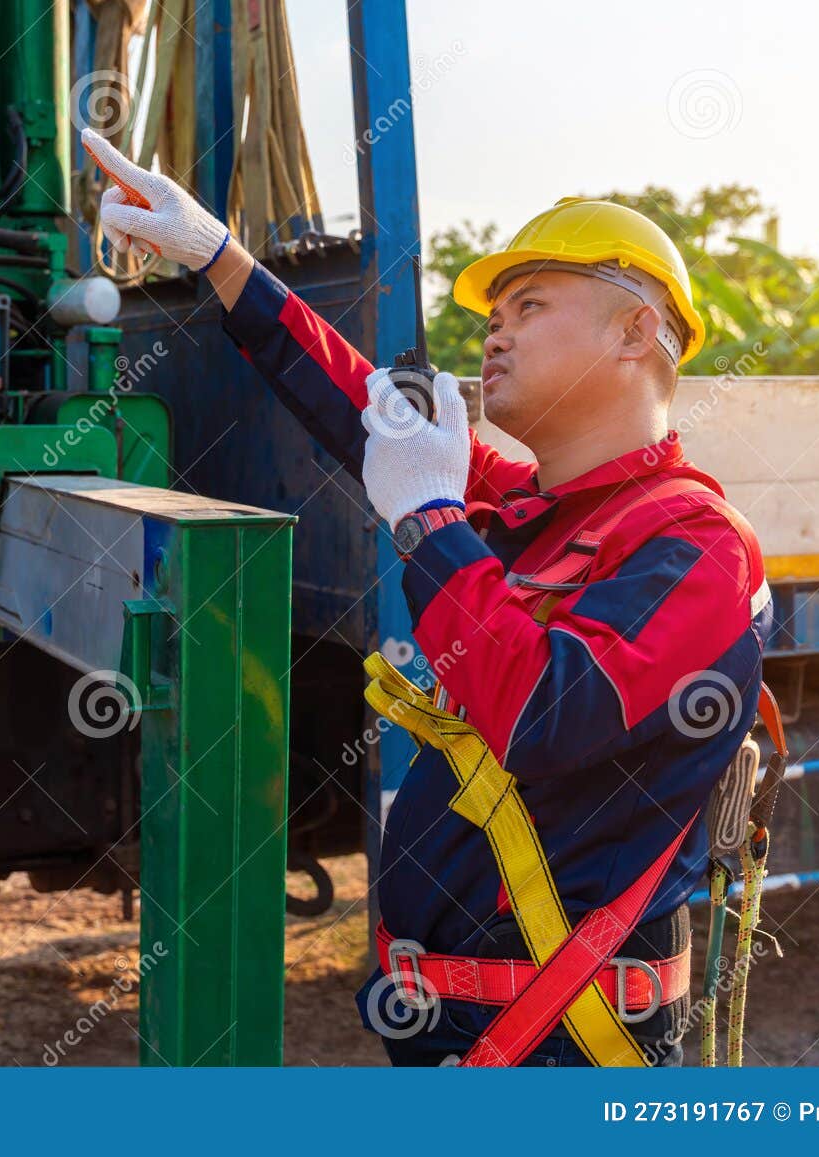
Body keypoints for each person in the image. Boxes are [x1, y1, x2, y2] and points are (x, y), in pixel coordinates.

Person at [81, 129, 772, 1067]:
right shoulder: (532, 512)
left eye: (529, 305)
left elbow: (544, 713)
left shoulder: (697, 550)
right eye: (495, 312)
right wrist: (218, 254)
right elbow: (356, 403)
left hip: (572, 1048)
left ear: (637, 330)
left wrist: (430, 517)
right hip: (461, 1031)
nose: (495, 330)